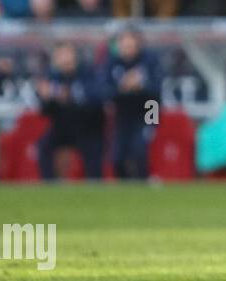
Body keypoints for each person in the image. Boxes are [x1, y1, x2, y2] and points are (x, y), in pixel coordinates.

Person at [36, 43, 106, 180]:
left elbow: (98, 100)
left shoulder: (89, 72)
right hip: (63, 126)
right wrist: (46, 98)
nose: (65, 59)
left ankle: (96, 186)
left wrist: (70, 96)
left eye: (67, 54)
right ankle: (49, 185)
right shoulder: (52, 76)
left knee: (93, 160)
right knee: (43, 147)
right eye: (60, 56)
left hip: (88, 127)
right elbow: (45, 111)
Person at [106, 28, 162, 179]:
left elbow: (157, 88)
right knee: (117, 156)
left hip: (149, 110)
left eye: (131, 45)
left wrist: (140, 85)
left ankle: (145, 180)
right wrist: (122, 86)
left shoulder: (150, 60)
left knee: (141, 148)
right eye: (124, 45)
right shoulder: (112, 62)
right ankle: (125, 187)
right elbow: (103, 90)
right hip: (124, 113)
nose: (128, 49)